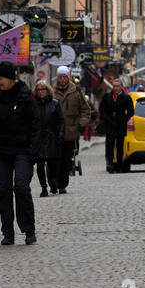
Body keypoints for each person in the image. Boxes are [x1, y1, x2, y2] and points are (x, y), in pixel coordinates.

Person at [0, 63, 36, 245]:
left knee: (21, 186)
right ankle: (8, 232)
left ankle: (29, 230)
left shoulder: (25, 96)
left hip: (22, 149)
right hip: (1, 151)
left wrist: (33, 150)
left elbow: (35, 124)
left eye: (1, 78)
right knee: (3, 189)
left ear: (11, 78)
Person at [53, 65, 90, 193]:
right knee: (55, 159)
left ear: (68, 77)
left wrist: (81, 123)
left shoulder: (76, 91)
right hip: (55, 131)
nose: (62, 80)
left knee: (66, 159)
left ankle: (62, 184)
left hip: (71, 131)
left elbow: (85, 110)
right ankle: (54, 181)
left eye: (65, 77)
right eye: (60, 77)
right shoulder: (52, 91)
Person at [31, 79, 65, 197]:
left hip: (52, 138)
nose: (40, 92)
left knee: (52, 164)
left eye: (43, 89)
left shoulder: (55, 104)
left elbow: (61, 121)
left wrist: (60, 134)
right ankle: (43, 187)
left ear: (48, 90)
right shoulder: (33, 105)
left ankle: (53, 182)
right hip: (38, 138)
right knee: (40, 164)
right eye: (38, 90)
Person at [98, 78, 135, 173]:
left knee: (120, 146)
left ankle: (119, 165)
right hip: (109, 124)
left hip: (120, 125)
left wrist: (124, 119)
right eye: (114, 86)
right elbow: (102, 109)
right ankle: (109, 164)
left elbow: (131, 111)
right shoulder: (107, 96)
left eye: (118, 86)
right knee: (109, 146)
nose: (116, 88)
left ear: (121, 87)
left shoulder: (126, 97)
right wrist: (106, 118)